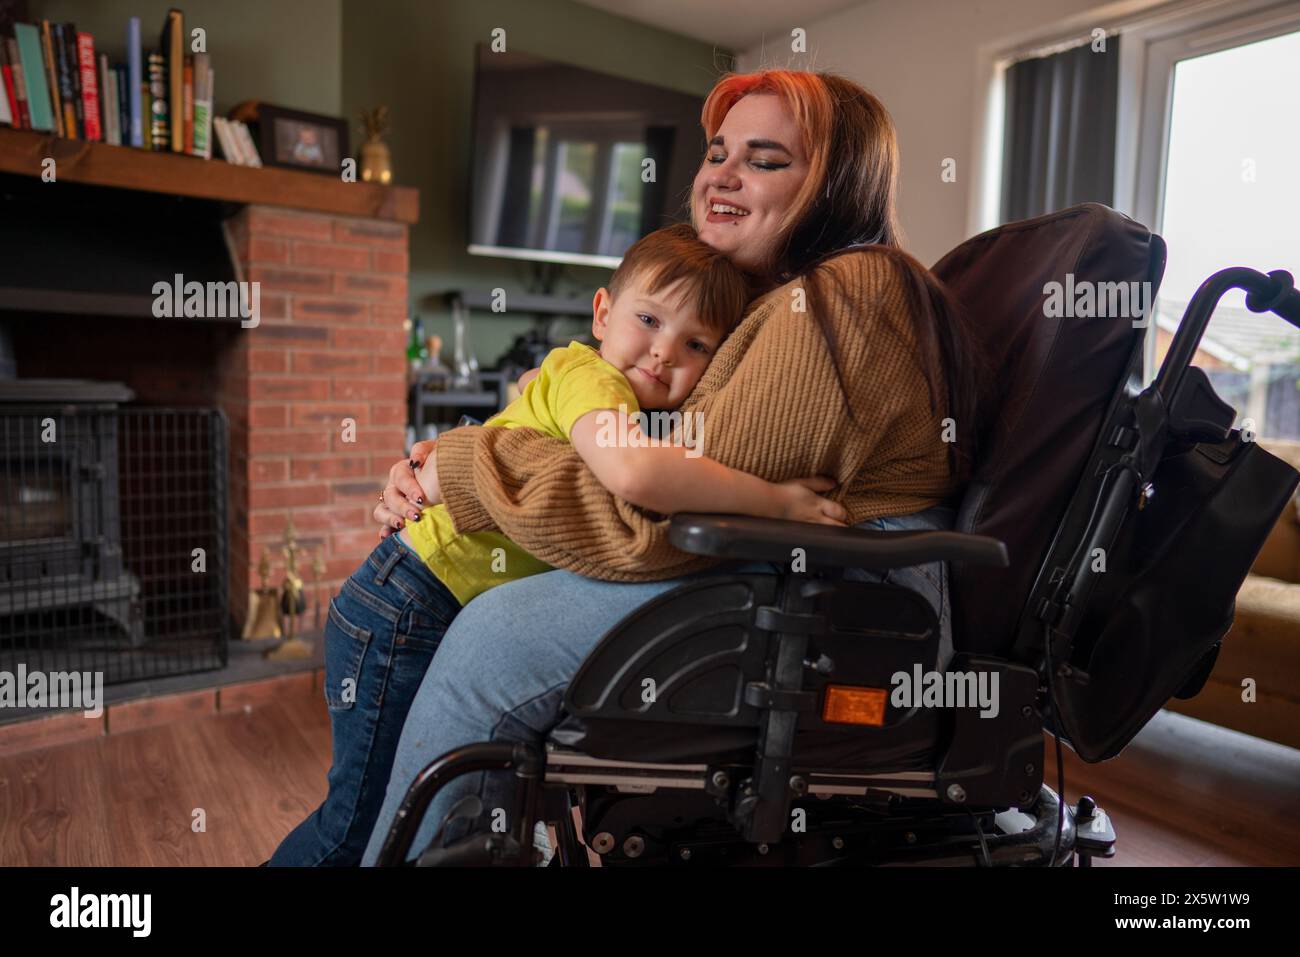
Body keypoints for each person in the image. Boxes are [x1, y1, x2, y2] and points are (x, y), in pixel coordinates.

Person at [361, 69, 993, 865]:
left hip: (835, 603)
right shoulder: (777, 304)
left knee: (491, 644)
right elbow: (652, 466)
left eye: (765, 161)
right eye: (718, 152)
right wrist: (451, 467)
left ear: (834, 186)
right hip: (781, 575)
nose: (721, 175)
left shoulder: (845, 298)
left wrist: (465, 468)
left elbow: (653, 519)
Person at [268, 223, 845, 865]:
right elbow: (634, 473)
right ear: (602, 312)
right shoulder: (591, 378)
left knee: (387, 813)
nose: (661, 353)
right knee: (358, 826)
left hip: (413, 598)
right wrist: (779, 502)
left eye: (695, 344)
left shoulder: (627, 402)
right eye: (648, 319)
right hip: (409, 605)